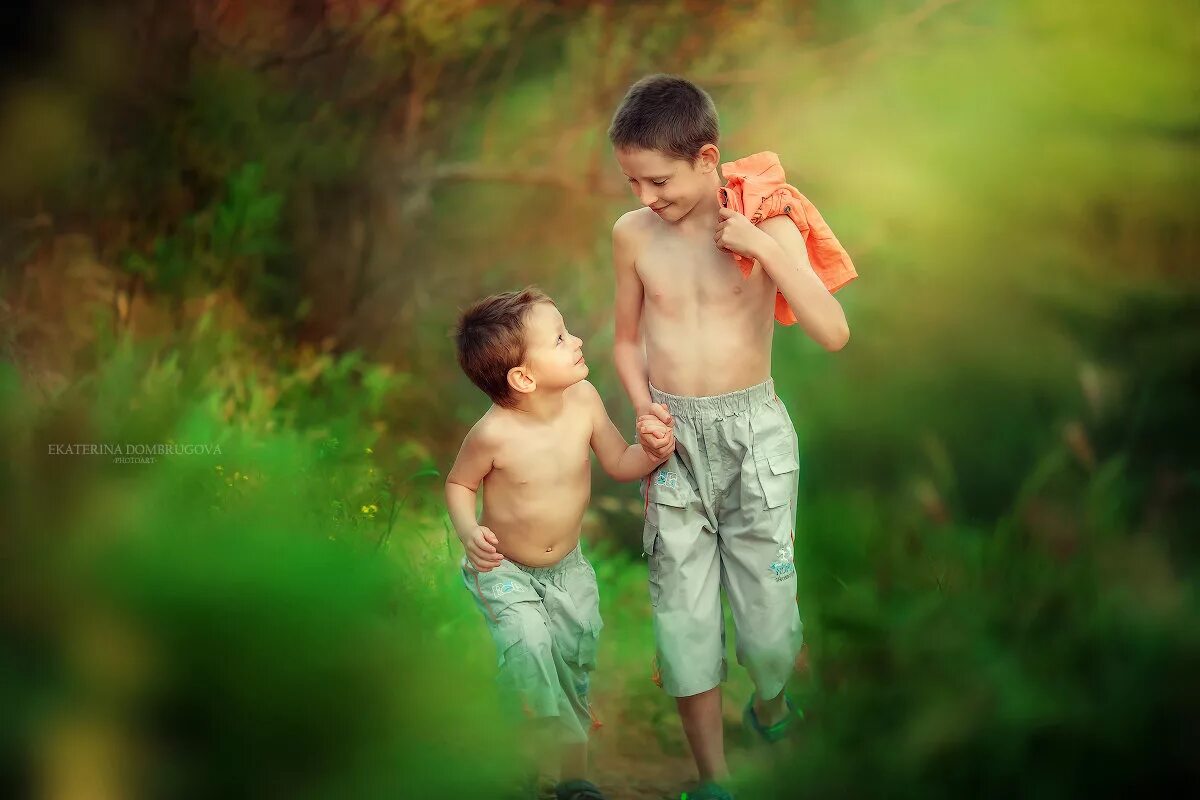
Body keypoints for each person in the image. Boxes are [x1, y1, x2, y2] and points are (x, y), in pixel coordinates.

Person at [608, 74, 858, 800]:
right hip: (673, 443)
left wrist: (769, 249)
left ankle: (771, 701)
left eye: (658, 180)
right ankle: (713, 780)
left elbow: (834, 332)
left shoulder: (765, 227)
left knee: (769, 622)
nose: (645, 197)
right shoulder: (632, 236)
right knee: (683, 613)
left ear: (707, 156)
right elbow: (626, 343)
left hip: (754, 435)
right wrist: (641, 407)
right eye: (632, 181)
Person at [445, 287, 674, 800]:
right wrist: (468, 531)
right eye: (560, 338)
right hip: (504, 570)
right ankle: (519, 758)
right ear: (524, 378)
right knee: (528, 649)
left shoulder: (585, 403)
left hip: (568, 572)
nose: (577, 341)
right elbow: (459, 484)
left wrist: (651, 451)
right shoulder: (493, 434)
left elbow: (619, 462)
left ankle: (575, 778)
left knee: (572, 667)